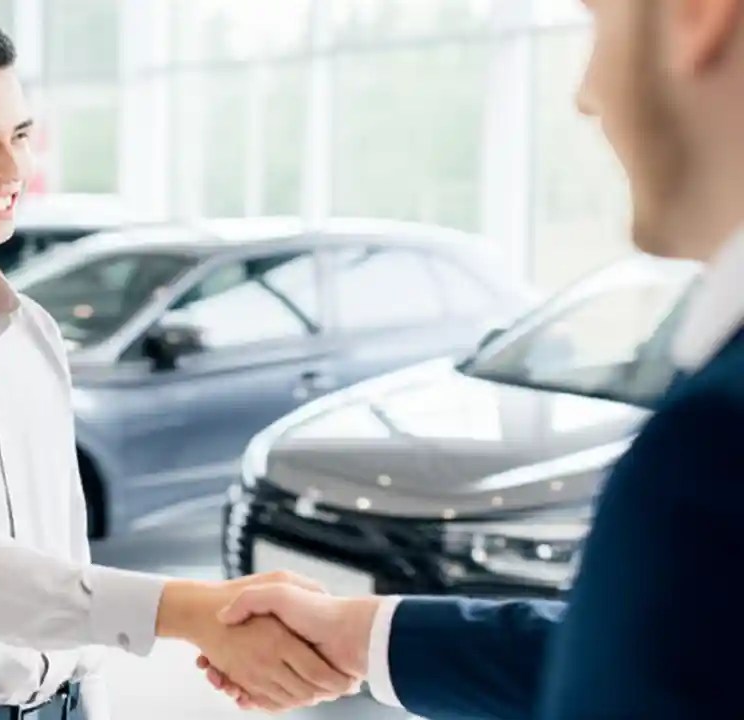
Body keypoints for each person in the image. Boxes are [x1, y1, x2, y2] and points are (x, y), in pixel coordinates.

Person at [0, 10, 357, 720]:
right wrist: (197, 610)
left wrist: (88, 698)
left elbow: (62, 548)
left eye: (19, 135)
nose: (13, 167)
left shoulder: (33, 332)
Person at [199, 0, 744, 717]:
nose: (585, 94)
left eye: (596, 20)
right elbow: (684, 659)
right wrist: (369, 638)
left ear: (696, 15)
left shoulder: (713, 443)